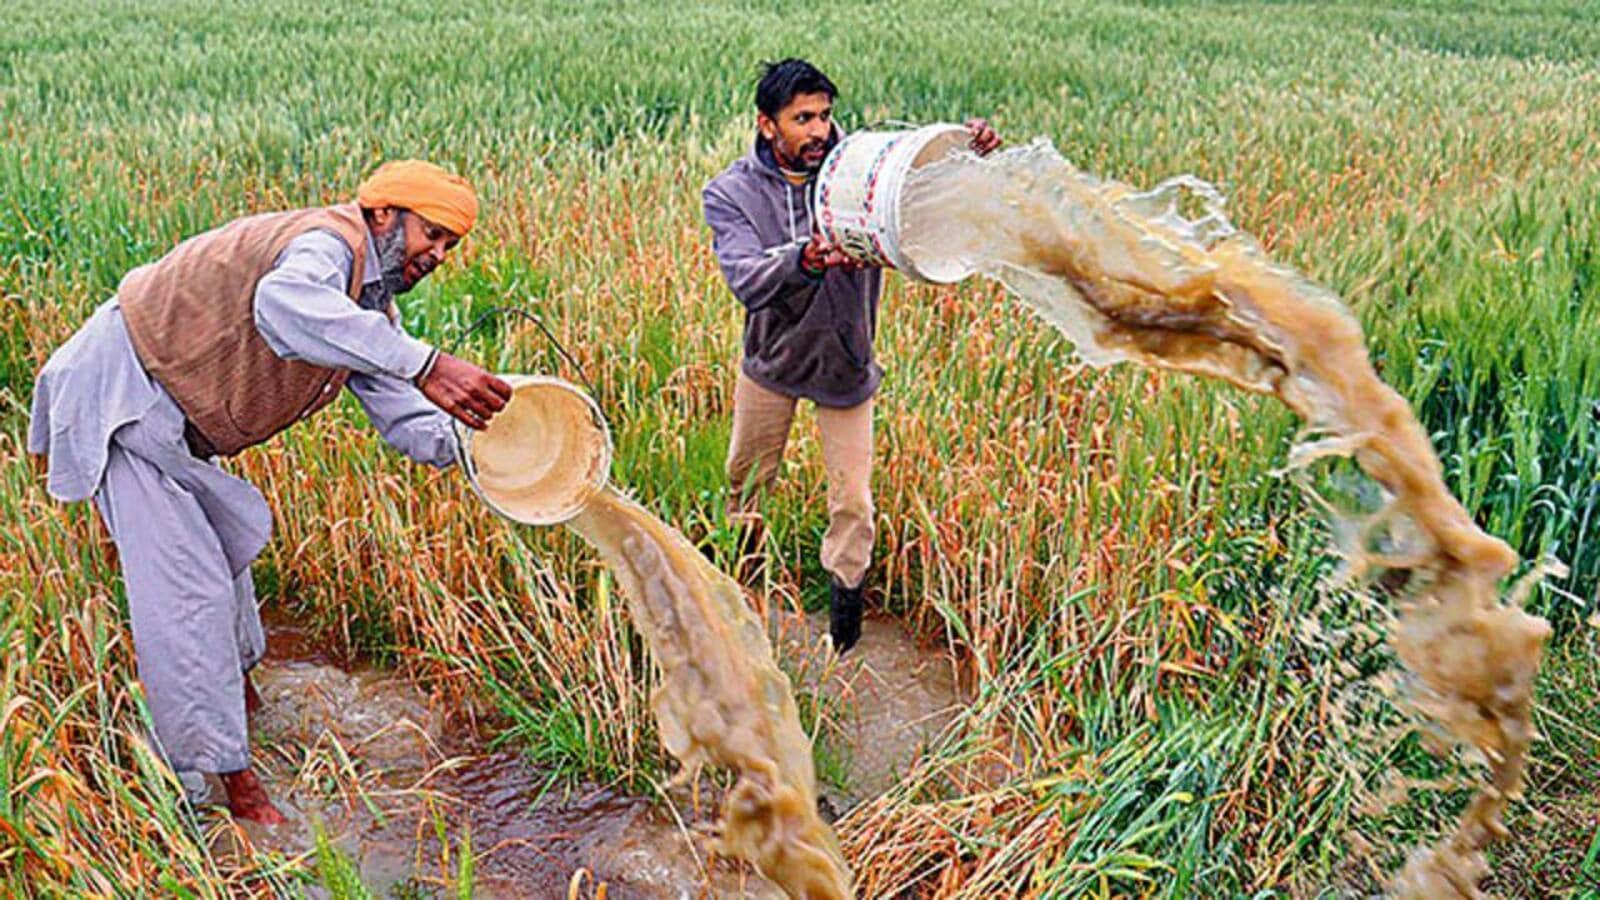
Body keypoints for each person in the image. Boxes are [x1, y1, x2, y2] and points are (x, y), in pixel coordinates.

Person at [28, 159, 512, 824]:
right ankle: (230, 789)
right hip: (125, 396)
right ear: (383, 215)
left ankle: (246, 705)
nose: (439, 254)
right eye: (433, 233)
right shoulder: (324, 246)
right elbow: (284, 307)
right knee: (189, 592)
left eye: (451, 244)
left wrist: (500, 447)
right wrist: (427, 363)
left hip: (176, 421)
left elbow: (408, 415)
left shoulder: (367, 308)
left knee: (227, 558)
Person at [702, 59, 1001, 653]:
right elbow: (746, 281)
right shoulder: (730, 193)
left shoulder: (864, 172)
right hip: (772, 363)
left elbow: (931, 199)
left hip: (847, 362)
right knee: (745, 486)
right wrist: (806, 259)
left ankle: (844, 637)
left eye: (825, 115)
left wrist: (972, 160)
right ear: (768, 125)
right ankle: (742, 606)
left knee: (853, 505)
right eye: (802, 119)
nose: (819, 130)